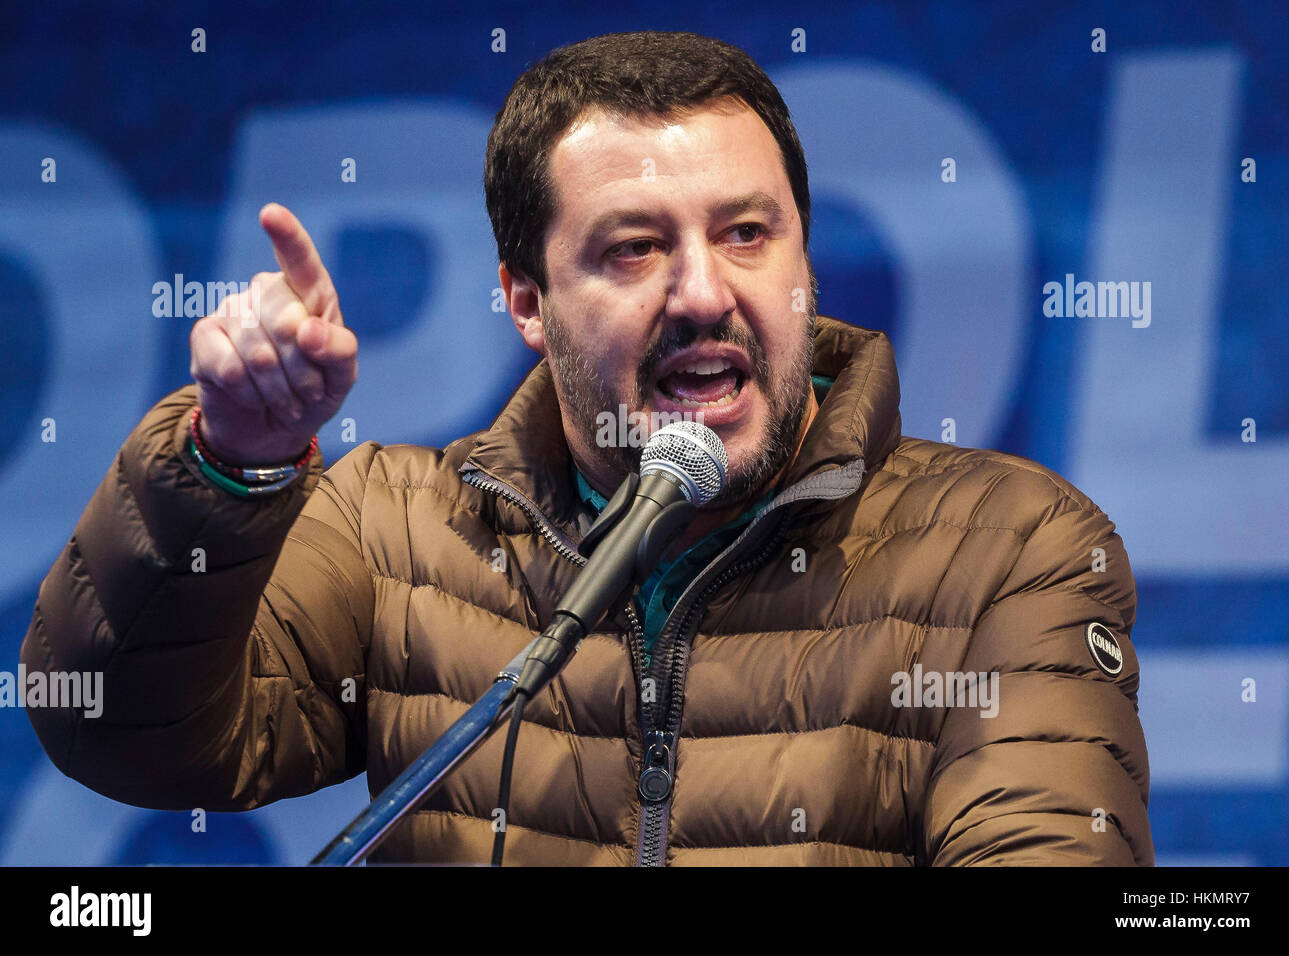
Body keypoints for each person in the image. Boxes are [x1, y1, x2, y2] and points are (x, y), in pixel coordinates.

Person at [21, 31, 1153, 865]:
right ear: (525, 298)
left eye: (747, 234)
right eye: (634, 248)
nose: (704, 292)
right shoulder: (395, 531)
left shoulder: (1009, 544)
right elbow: (123, 732)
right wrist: (232, 463)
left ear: (803, 260)